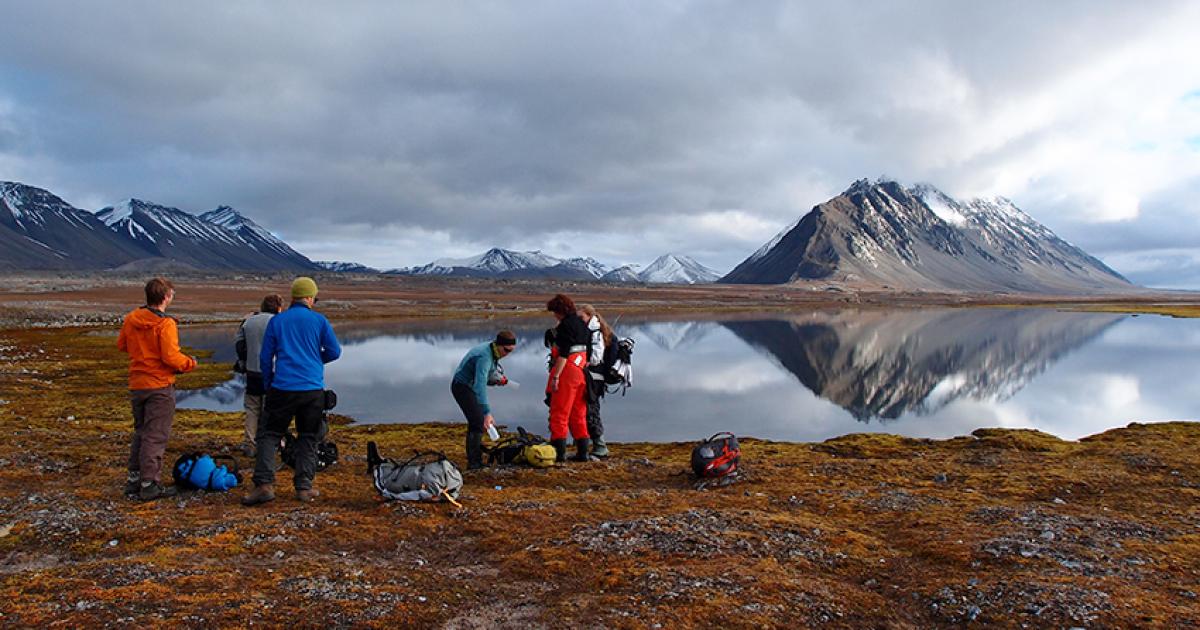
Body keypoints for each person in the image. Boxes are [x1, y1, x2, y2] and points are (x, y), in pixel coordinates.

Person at [243, 277, 341, 505]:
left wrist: (269, 384)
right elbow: (334, 351)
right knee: (309, 437)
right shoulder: (319, 321)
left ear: (294, 297)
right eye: (314, 298)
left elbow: (265, 357)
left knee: (269, 435)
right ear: (309, 298)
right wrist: (315, 360)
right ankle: (304, 488)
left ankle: (264, 485)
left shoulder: (278, 321)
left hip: (282, 388)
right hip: (312, 389)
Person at [117, 277, 197, 501]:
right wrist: (190, 363)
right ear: (166, 297)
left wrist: (142, 354)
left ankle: (134, 480)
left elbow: (122, 345)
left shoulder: (132, 318)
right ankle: (149, 484)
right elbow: (170, 357)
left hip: (138, 383)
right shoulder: (165, 324)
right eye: (171, 295)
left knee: (141, 432)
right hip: (160, 385)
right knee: (155, 435)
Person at [451, 330, 517, 470]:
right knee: (477, 421)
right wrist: (487, 412)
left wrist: (496, 380)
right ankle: (474, 463)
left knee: (476, 421)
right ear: (498, 345)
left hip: (470, 385)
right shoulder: (485, 357)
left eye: (511, 351)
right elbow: (479, 385)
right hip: (462, 387)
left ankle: (475, 459)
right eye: (506, 350)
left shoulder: (493, 350)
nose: (507, 354)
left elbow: (485, 376)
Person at [234, 294, 284, 457]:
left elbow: (239, 344)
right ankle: (270, 444)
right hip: (274, 373)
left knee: (252, 409)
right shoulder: (279, 322)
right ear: (278, 307)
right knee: (272, 410)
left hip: (252, 372)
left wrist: (243, 362)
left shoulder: (249, 322)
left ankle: (250, 444)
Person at [545, 293, 591, 462]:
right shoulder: (582, 324)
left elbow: (563, 354)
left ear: (560, 311)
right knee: (578, 412)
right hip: (581, 371)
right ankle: (583, 453)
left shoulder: (565, 326)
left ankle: (559, 454)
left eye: (555, 312)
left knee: (559, 412)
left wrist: (555, 377)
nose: (554, 316)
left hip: (567, 371)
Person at [577, 304, 615, 458]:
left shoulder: (595, 331)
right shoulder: (595, 329)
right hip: (594, 377)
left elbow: (597, 356)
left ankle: (600, 446)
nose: (579, 320)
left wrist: (587, 362)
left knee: (591, 410)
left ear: (589, 315)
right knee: (588, 409)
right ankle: (591, 444)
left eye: (581, 317)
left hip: (593, 377)